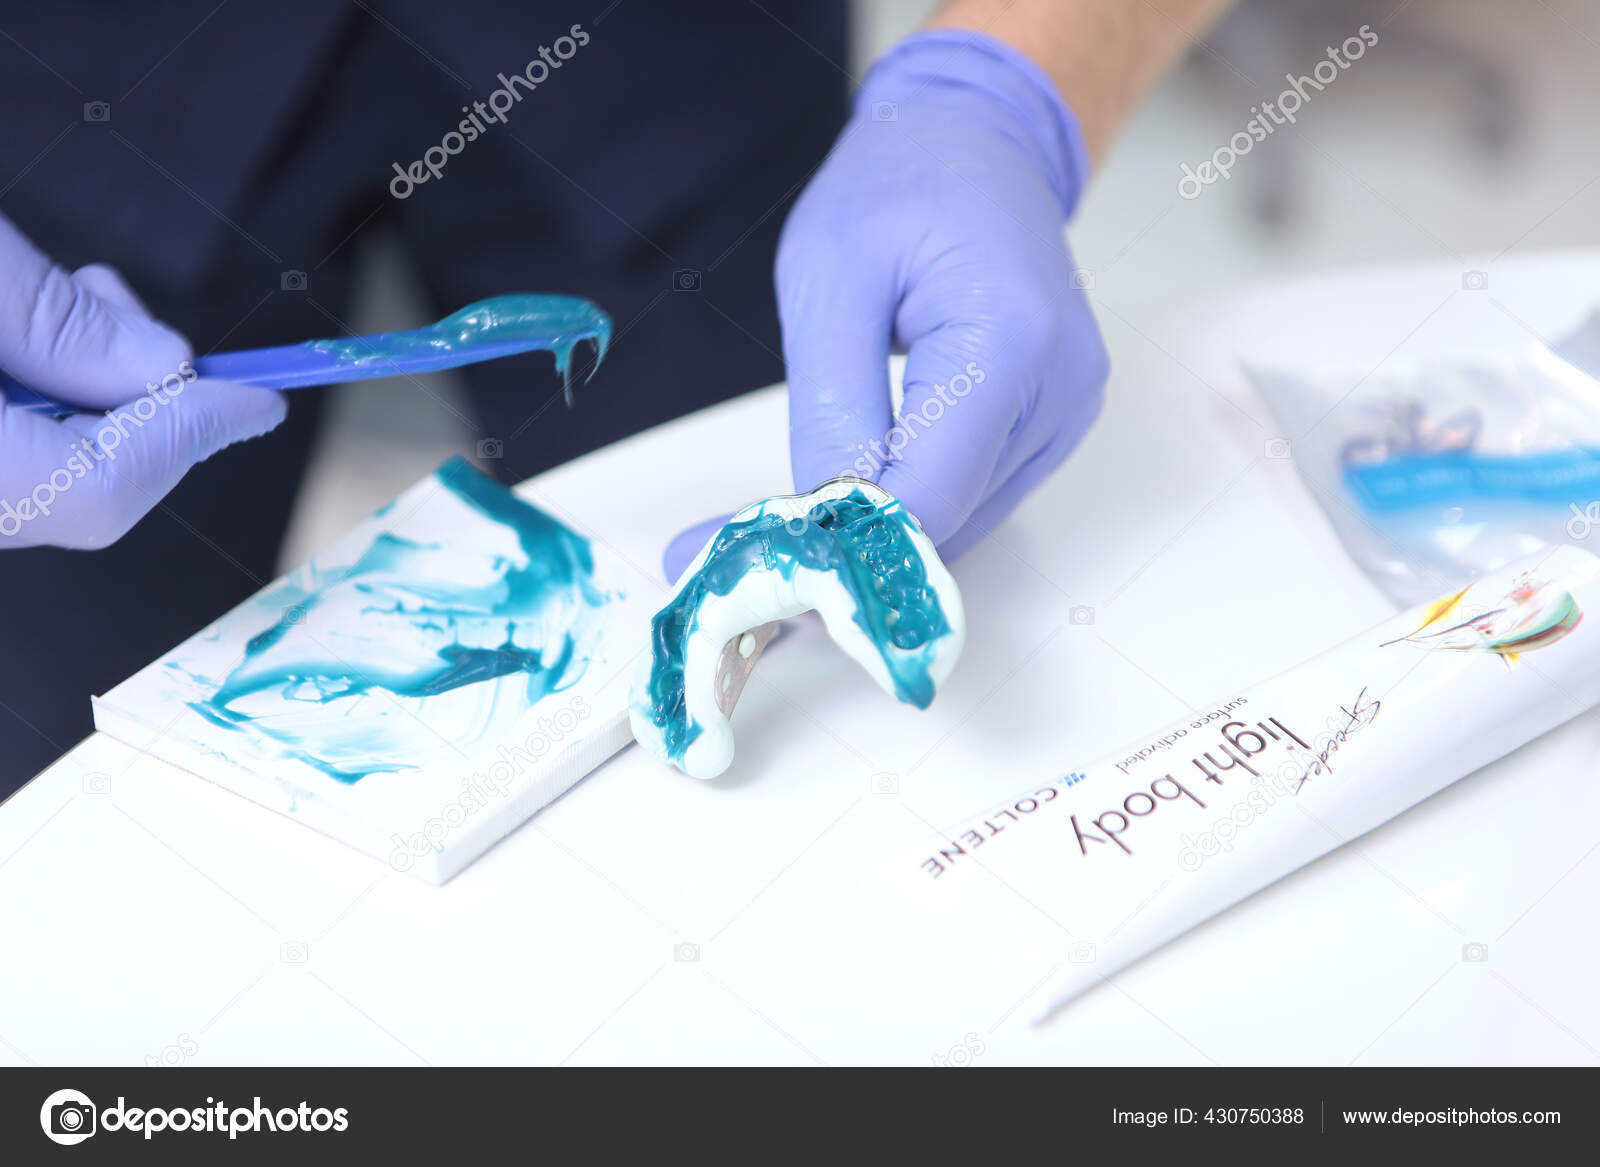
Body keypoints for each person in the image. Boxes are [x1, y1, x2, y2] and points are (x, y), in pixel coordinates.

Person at [0, 0, 1226, 793]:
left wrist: (1014, 80)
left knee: (796, 749)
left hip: (669, 65)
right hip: (65, 95)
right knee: (54, 792)